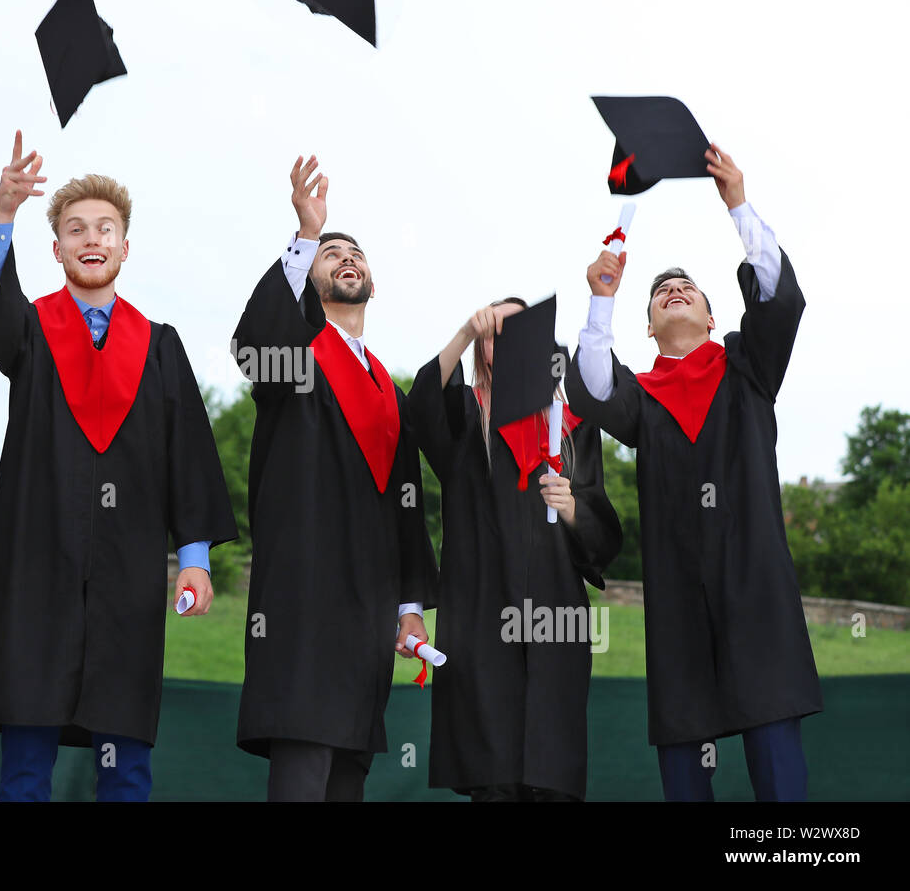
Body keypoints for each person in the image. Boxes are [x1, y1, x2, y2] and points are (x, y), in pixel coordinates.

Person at [0, 132, 237, 802]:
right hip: (34, 572)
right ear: (57, 249)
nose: (91, 237)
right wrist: (3, 213)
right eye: (76, 229)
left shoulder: (159, 346)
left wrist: (193, 557)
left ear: (125, 247)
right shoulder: (31, 329)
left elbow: (187, 455)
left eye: (106, 227)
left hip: (126, 579)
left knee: (126, 766)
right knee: (24, 769)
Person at [566, 144, 822, 801]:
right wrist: (602, 300)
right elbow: (592, 388)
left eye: (686, 289)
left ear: (711, 318)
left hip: (756, 602)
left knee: (780, 788)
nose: (672, 291)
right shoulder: (641, 399)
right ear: (649, 328)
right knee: (686, 772)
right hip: (679, 610)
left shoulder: (748, 371)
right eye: (659, 295)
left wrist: (737, 202)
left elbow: (775, 295)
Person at [233, 155, 438, 801]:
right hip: (300, 605)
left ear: (372, 284)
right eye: (330, 255)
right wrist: (305, 233)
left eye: (355, 254)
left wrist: (409, 609)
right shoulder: (295, 361)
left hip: (367, 615)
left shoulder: (390, 392)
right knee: (304, 762)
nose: (345, 258)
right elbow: (255, 347)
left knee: (348, 771)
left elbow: (407, 510)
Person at [408, 298, 621, 800]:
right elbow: (420, 405)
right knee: (495, 776)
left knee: (551, 776)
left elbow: (604, 539)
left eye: (514, 328)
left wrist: (571, 509)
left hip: (555, 623)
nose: (499, 338)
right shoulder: (464, 417)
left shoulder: (572, 428)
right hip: (481, 621)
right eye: (491, 330)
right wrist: (464, 331)